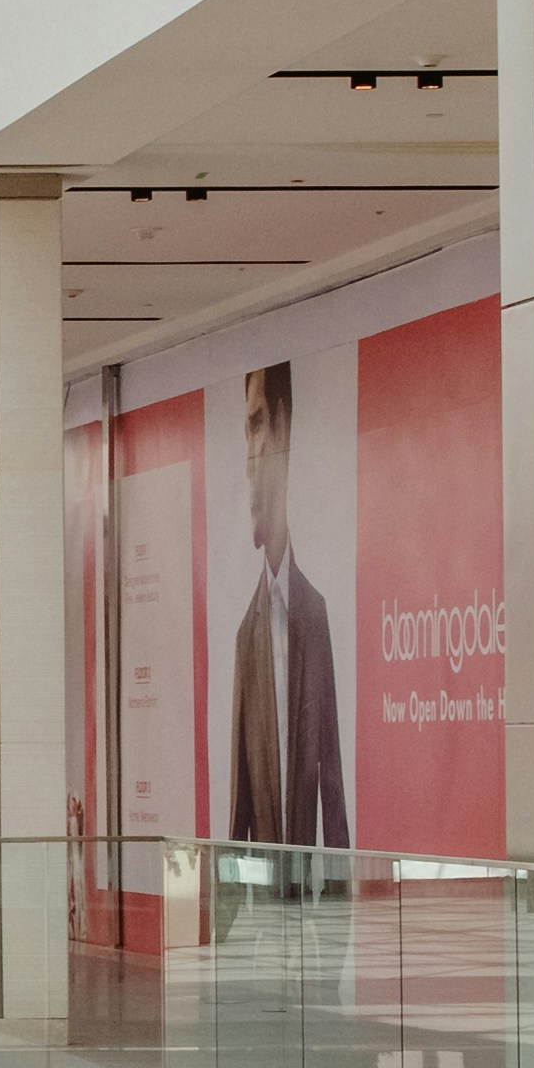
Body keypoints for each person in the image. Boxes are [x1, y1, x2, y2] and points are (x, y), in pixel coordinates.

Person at [224, 356, 349, 852]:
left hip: (309, 891)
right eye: (244, 434)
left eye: (256, 425)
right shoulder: (245, 637)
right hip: (262, 894)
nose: (249, 463)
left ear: (283, 427)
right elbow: (238, 809)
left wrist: (341, 894)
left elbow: (332, 785)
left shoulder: (315, 615)